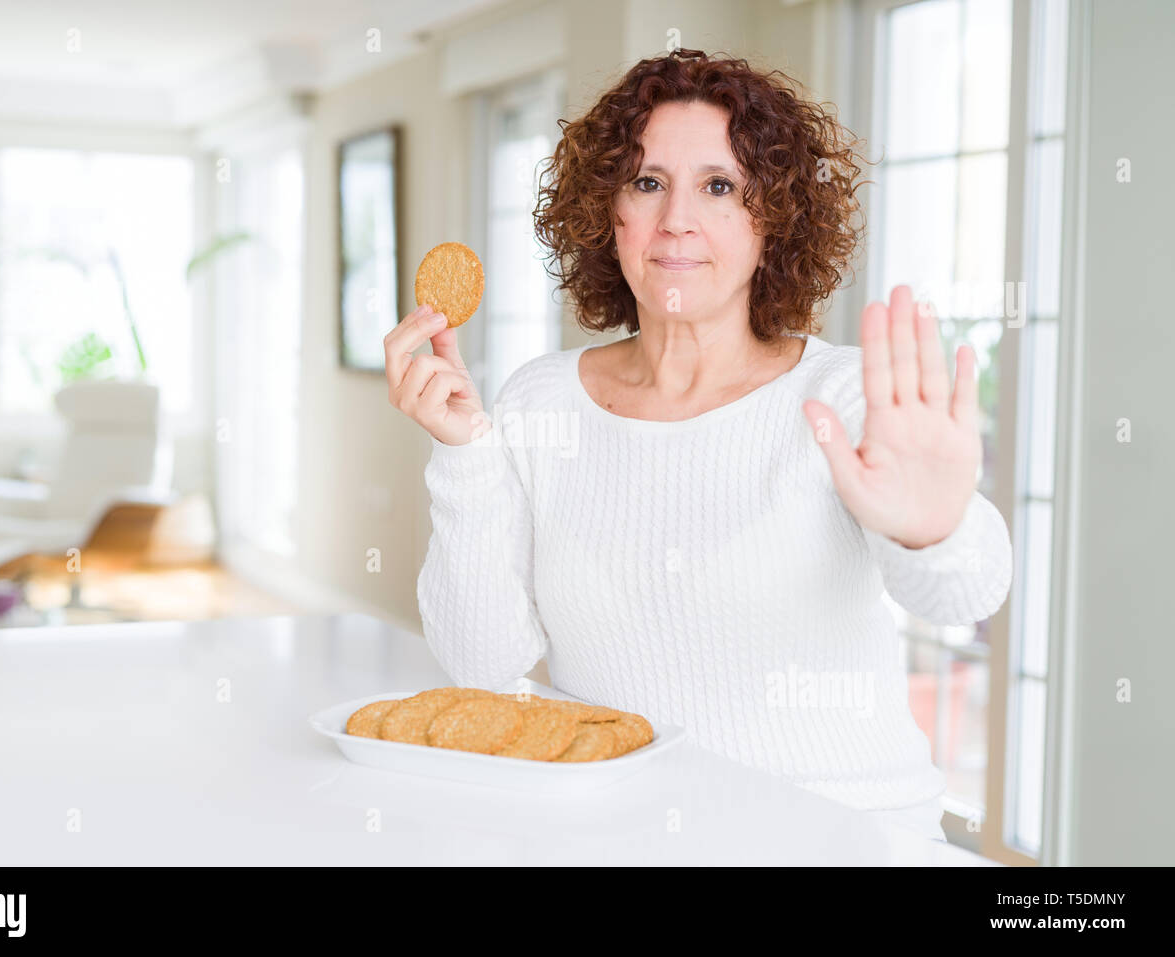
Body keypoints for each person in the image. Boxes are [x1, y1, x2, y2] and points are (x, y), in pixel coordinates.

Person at [384, 49, 1011, 845]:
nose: (677, 218)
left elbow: (968, 593)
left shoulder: (842, 395)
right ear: (607, 214)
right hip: (620, 837)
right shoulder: (539, 402)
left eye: (718, 186)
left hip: (842, 838)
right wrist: (464, 454)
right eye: (648, 183)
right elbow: (482, 663)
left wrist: (936, 527)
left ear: (771, 217)